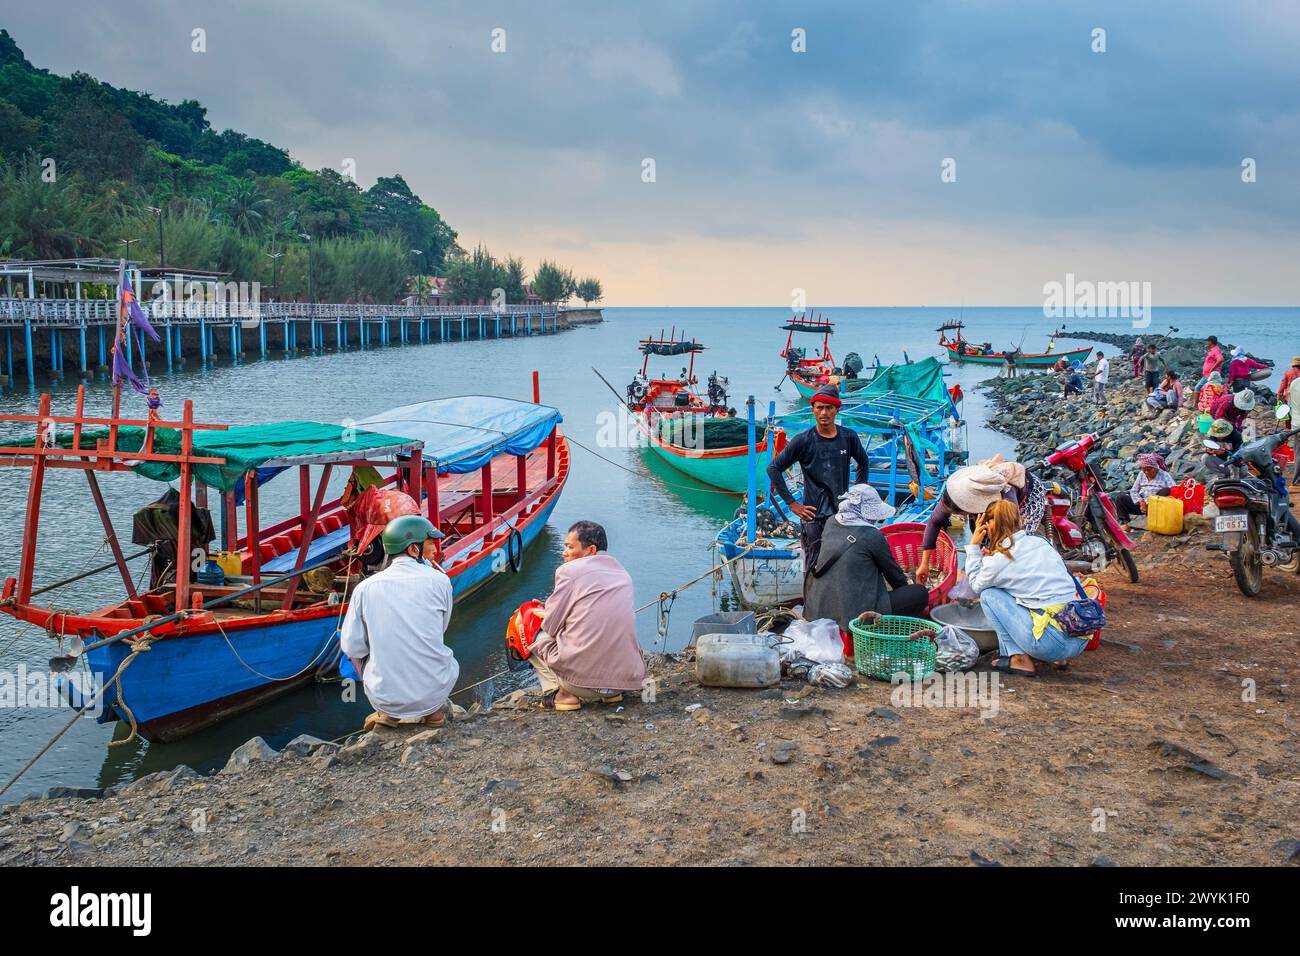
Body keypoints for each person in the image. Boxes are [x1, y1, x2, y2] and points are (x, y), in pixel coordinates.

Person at [341, 515, 458, 732]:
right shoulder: (441, 581)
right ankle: (433, 712)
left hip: (383, 696)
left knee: (354, 649)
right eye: (430, 542)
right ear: (414, 550)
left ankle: (387, 712)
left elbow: (351, 647)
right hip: (435, 690)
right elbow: (441, 627)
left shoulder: (365, 589)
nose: (435, 548)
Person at [530, 521, 645, 712]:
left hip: (582, 685)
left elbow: (550, 625)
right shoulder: (622, 573)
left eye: (569, 547)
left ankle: (563, 695)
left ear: (590, 550)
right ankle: (611, 695)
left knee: (530, 626)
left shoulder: (568, 571)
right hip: (625, 681)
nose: (564, 552)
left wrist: (545, 612)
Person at [965, 500, 1087, 677]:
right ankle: (1060, 659)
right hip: (1079, 635)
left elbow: (976, 585)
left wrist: (973, 548)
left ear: (990, 525)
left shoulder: (1000, 560)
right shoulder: (1041, 542)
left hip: (1051, 644)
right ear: (1018, 521)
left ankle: (1018, 659)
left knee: (988, 595)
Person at [805, 486, 928, 652]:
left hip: (819, 609)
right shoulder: (872, 535)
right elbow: (896, 578)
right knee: (919, 594)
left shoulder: (831, 522)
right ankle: (892, 637)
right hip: (853, 616)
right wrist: (911, 587)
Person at [767, 385, 870, 574]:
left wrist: (858, 496)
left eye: (829, 408)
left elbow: (863, 463)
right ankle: (812, 603)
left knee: (842, 564)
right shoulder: (803, 440)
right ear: (813, 409)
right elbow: (774, 468)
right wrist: (792, 504)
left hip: (841, 514)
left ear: (837, 410)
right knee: (814, 568)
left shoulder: (848, 437)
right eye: (819, 407)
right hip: (813, 516)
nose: (824, 413)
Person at [916, 458, 1045, 580]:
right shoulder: (954, 494)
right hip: (986, 496)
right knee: (981, 536)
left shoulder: (1005, 497)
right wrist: (924, 563)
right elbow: (934, 523)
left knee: (1011, 549)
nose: (964, 517)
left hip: (1028, 494)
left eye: (965, 513)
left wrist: (995, 553)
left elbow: (1012, 534)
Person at [1113, 453, 1176, 529]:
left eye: (1148, 470)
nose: (1146, 472)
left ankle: (1153, 521)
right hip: (1141, 506)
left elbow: (1174, 490)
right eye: (1144, 469)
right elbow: (1134, 491)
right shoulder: (1142, 474)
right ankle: (1126, 524)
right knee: (1120, 498)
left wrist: (1151, 502)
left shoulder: (1164, 475)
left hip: (1155, 505)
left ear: (1155, 468)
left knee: (1166, 491)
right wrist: (1141, 502)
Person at [1277, 356, 1300, 428]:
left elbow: (1283, 384)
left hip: (1289, 396)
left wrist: (1279, 395)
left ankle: (1289, 429)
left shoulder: (1288, 372)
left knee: (1288, 414)